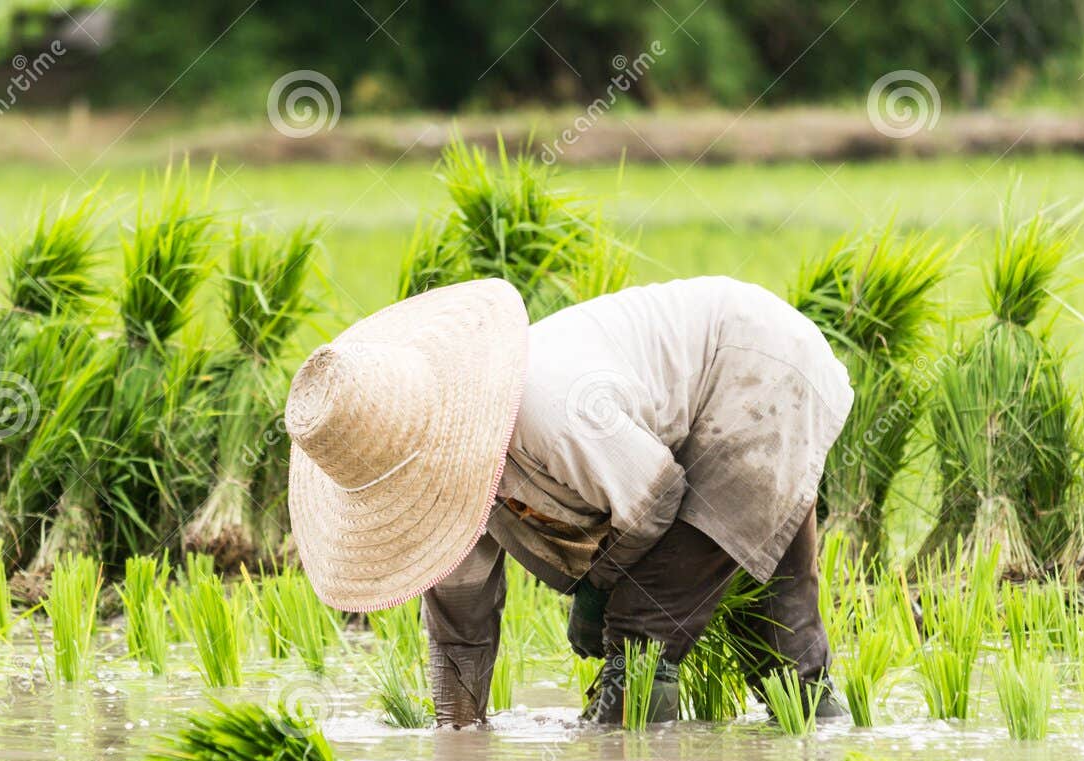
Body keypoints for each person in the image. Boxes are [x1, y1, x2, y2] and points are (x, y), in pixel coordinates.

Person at [285, 276, 853, 727]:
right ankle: (819, 755)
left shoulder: (553, 411)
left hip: (758, 373)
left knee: (642, 633)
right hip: (699, 405)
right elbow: (461, 630)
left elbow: (656, 498)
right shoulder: (440, 491)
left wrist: (595, 593)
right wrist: (458, 744)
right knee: (782, 634)